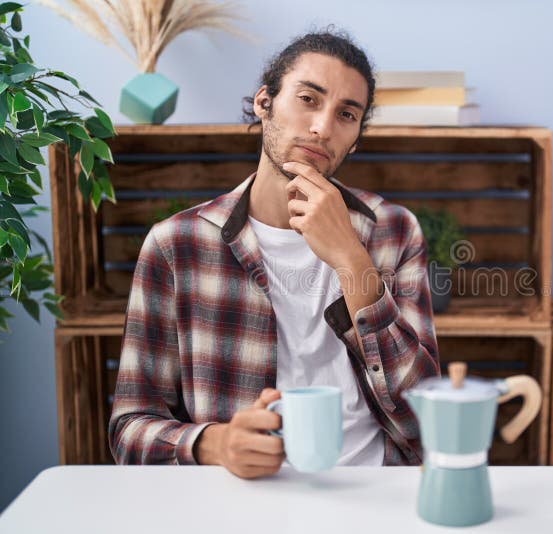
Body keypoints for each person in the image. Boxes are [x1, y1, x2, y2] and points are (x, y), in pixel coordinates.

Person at [108, 30, 440, 478]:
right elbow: (128, 430)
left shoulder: (394, 230)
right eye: (308, 98)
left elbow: (426, 422)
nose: (322, 127)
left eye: (346, 114)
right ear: (264, 102)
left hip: (375, 485)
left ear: (356, 138)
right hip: (246, 497)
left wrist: (350, 258)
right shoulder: (176, 244)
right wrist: (217, 444)